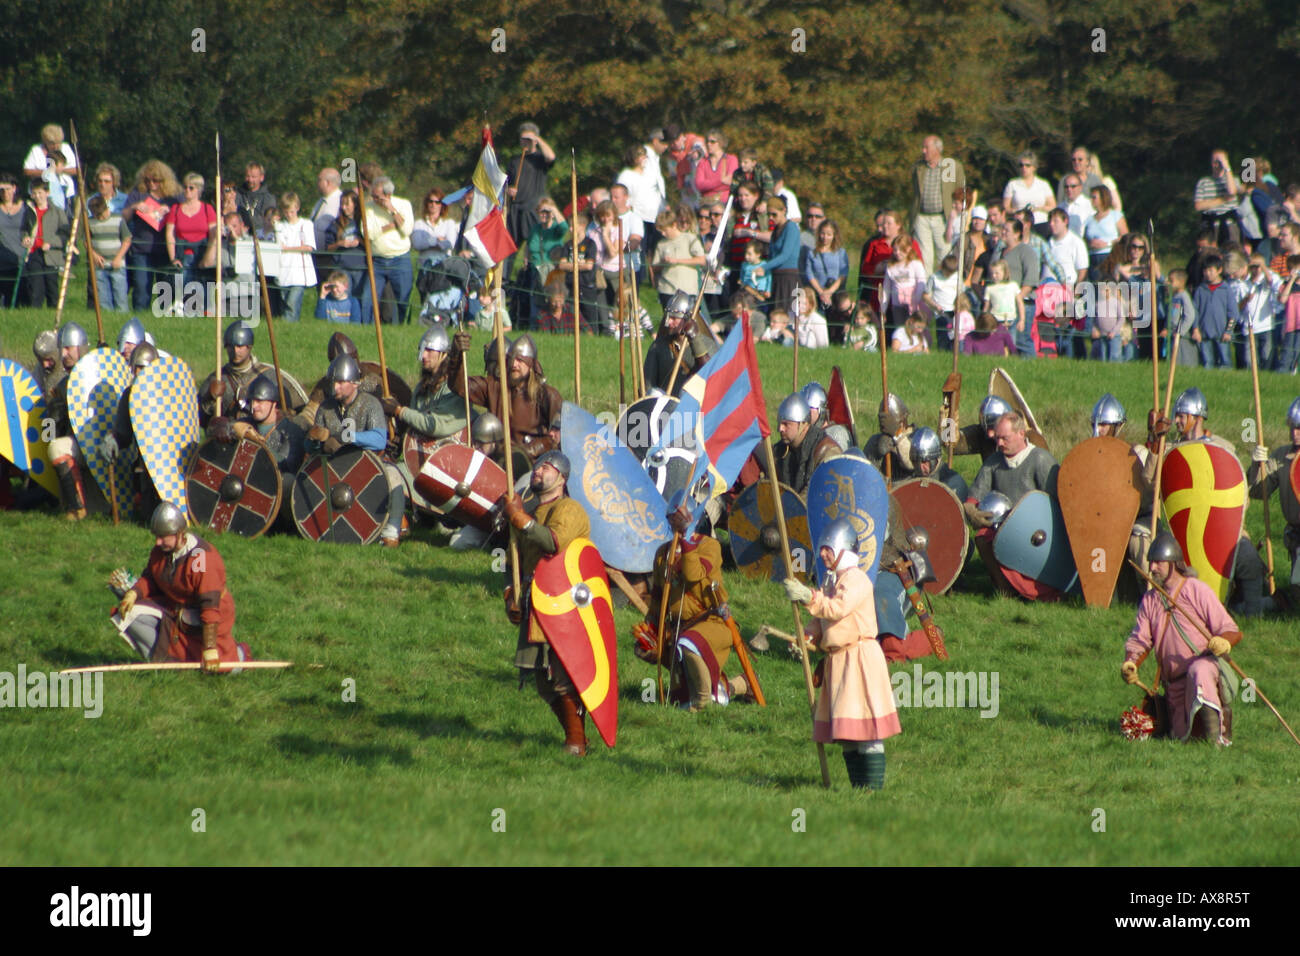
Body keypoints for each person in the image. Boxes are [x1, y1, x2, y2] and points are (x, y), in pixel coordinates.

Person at [782, 518, 901, 790]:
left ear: (843, 549)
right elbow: (822, 621)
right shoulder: (831, 580)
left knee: (866, 729)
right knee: (847, 732)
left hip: (859, 660)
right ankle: (857, 790)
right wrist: (807, 637)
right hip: (838, 661)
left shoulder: (857, 579)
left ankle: (871, 791)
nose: (823, 554)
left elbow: (836, 609)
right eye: (822, 549)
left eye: (828, 549)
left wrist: (808, 597)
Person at [502, 451, 593, 755]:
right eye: (538, 466)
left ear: (562, 478)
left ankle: (577, 742)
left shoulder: (570, 508)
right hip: (533, 603)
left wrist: (521, 520)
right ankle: (574, 735)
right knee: (542, 681)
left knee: (562, 676)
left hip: (563, 605)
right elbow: (514, 561)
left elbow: (553, 542)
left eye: (547, 467)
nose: (539, 471)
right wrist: (510, 594)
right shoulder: (527, 511)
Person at [1121, 533, 1241, 745]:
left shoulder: (1196, 590)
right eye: (1151, 562)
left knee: (1200, 670)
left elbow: (1230, 629)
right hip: (1174, 685)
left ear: (1174, 563)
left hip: (1204, 670)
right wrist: (1131, 661)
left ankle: (1218, 741)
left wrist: (1223, 641)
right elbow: (1140, 639)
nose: (1153, 568)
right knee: (1182, 738)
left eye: (1158, 562)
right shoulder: (1150, 601)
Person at [111, 502, 245, 671]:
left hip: (206, 620)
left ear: (180, 534)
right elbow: (151, 578)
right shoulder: (160, 551)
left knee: (219, 668)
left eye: (163, 536)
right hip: (175, 613)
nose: (158, 541)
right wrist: (134, 593)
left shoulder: (200, 558)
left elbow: (209, 606)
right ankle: (166, 664)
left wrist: (210, 648)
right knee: (129, 614)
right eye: (157, 536)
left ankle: (239, 655)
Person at [640, 506, 748, 710]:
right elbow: (657, 594)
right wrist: (650, 627)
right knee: (680, 691)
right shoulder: (663, 553)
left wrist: (686, 541)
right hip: (678, 627)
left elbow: (693, 574)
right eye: (672, 519)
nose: (674, 523)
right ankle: (740, 684)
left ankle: (702, 701)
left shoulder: (710, 546)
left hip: (712, 623)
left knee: (689, 643)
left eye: (679, 519)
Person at [307, 354, 407, 547]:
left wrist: (346, 438)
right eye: (334, 383)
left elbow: (379, 440)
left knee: (394, 475)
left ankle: (391, 532)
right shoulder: (326, 408)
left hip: (367, 465)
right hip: (334, 467)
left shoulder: (370, 404)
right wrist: (314, 442)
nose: (335, 388)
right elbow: (312, 448)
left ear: (354, 383)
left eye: (341, 383)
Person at [965, 411, 1060, 599]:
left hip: (1039, 532)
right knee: (983, 537)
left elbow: (1056, 504)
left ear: (1021, 434)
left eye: (1005, 438)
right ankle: (1005, 592)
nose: (999, 444)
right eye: (997, 438)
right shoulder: (994, 462)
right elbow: (974, 497)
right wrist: (971, 511)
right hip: (1003, 528)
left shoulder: (1040, 460)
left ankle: (1045, 590)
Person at [380, 324, 467, 497]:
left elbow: (436, 425)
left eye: (429, 350)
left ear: (443, 353)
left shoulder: (454, 388)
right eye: (422, 350)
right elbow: (416, 424)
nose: (423, 355)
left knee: (392, 479)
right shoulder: (422, 387)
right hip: (422, 458)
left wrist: (399, 411)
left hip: (449, 467)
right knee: (385, 473)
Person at [448, 331, 562, 459]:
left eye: (520, 360)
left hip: (531, 466)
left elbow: (558, 438)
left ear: (531, 364)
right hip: (498, 462)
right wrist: (456, 355)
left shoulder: (547, 395)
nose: (514, 365)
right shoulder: (495, 387)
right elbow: (460, 386)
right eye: (512, 359)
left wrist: (528, 451)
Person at [1247, 398, 1300, 604]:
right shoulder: (1281, 456)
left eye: (1299, 428)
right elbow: (1259, 491)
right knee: (1297, 591)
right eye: (1292, 428)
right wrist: (1256, 465)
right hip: (1296, 535)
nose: (1295, 433)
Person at [209, 372, 305, 478]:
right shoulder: (246, 423)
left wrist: (255, 441)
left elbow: (287, 467)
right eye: (252, 401)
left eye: (259, 401)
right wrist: (228, 428)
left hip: (276, 488)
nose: (254, 406)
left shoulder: (291, 431)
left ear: (273, 403)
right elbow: (213, 427)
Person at [198, 321, 288, 426]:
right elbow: (198, 420)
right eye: (231, 347)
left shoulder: (269, 376)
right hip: (227, 438)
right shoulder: (217, 377)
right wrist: (209, 398)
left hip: (261, 438)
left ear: (249, 347)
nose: (236, 351)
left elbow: (295, 413)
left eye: (240, 347)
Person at [44, 322, 92, 519]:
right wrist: (54, 412)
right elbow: (48, 436)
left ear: (81, 348)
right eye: (62, 349)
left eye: (69, 348)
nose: (64, 354)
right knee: (56, 447)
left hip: (109, 443)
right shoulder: (61, 387)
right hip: (82, 445)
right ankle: (77, 506)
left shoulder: (98, 376)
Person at [363, 176, 415, 323]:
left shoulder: (404, 204)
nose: (374, 199)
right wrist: (391, 226)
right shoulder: (368, 208)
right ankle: (367, 327)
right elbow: (367, 233)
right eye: (372, 196)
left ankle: (403, 326)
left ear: (388, 195)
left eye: (377, 197)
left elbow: (406, 230)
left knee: (403, 298)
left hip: (400, 259)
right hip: (377, 260)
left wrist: (392, 211)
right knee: (369, 299)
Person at [163, 173, 217, 314]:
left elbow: (213, 234)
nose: (187, 190)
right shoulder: (175, 209)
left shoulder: (207, 209)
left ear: (199, 190)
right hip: (182, 255)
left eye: (191, 188)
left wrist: (209, 256)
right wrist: (173, 258)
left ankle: (204, 312)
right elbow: (170, 233)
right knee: (183, 287)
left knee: (203, 287)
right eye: (185, 187)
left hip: (201, 254)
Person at [911, 134, 966, 273]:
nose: (923, 151)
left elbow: (960, 191)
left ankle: (944, 289)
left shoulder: (950, 166)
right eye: (923, 147)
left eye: (926, 147)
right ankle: (926, 290)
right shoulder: (919, 167)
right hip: (921, 217)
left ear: (937, 149)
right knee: (924, 258)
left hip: (943, 218)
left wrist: (956, 211)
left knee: (945, 255)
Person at [642, 291, 713, 395]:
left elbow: (711, 376)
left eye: (674, 318)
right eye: (668, 317)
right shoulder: (658, 347)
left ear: (687, 319)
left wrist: (695, 340)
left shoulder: (708, 345)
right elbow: (647, 386)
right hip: (665, 407)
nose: (668, 322)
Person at [770, 392, 839, 495]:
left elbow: (817, 494)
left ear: (803, 424)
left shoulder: (826, 452)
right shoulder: (780, 451)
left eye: (786, 424)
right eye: (780, 423)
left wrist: (791, 508)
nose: (780, 429)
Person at [20, 180, 70, 308]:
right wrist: (25, 237)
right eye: (34, 193)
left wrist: (51, 243)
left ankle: (53, 312)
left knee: (51, 286)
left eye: (40, 193)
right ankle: (35, 311)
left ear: (47, 193)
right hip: (34, 253)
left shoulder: (58, 212)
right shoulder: (29, 211)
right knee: (36, 286)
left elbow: (65, 234)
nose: (37, 196)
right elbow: (23, 229)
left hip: (51, 254)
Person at [650, 208, 706, 312]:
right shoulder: (661, 244)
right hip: (667, 290)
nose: (663, 234)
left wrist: (677, 261)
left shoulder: (690, 239)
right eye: (660, 231)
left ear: (674, 225)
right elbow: (655, 267)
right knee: (669, 323)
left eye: (665, 230)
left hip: (687, 290)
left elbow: (701, 260)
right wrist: (663, 263)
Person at [86, 193, 131, 311]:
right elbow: (86, 242)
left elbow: (127, 240)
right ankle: (107, 320)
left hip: (117, 265)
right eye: (96, 215)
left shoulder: (118, 219)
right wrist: (94, 255)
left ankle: (122, 320)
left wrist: (118, 258)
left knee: (120, 298)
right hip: (99, 266)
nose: (100, 218)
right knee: (103, 299)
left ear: (106, 208)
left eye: (101, 214)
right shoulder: (89, 222)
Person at [324, 189, 366, 309]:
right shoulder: (336, 224)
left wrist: (359, 240)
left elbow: (371, 244)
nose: (344, 207)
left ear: (355, 204)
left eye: (347, 204)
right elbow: (328, 248)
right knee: (345, 298)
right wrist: (340, 243)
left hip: (360, 267)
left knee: (360, 299)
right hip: (342, 267)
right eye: (342, 204)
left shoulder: (362, 222)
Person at [1193, 150, 1242, 247]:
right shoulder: (1203, 182)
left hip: (1229, 225)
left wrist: (1227, 167)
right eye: (1214, 161)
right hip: (1210, 225)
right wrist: (1223, 200)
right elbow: (1198, 206)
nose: (1217, 165)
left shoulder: (1234, 180)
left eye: (1219, 162)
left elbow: (1232, 191)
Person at [22, 124, 77, 209]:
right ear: (45, 142)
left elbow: (76, 169)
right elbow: (26, 171)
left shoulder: (66, 148)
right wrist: (48, 172)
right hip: (40, 195)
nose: (56, 146)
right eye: (52, 144)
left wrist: (60, 170)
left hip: (65, 194)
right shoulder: (36, 150)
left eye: (58, 143)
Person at [803, 217, 849, 312]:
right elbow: (810, 273)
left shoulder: (841, 252)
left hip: (836, 294)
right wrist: (821, 292)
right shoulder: (812, 253)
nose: (825, 237)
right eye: (823, 233)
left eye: (829, 234)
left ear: (834, 235)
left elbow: (843, 274)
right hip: (818, 294)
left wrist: (830, 292)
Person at [1002, 151, 1054, 225]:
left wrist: (1038, 208)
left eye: (1027, 165)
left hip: (1041, 223)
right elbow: (1005, 208)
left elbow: (1052, 206)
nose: (1024, 168)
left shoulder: (1043, 184)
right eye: (1021, 165)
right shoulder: (1012, 184)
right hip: (1020, 224)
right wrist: (1017, 211)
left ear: (1034, 167)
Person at [693, 130, 738, 208]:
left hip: (725, 204)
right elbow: (699, 185)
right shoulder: (702, 163)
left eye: (712, 142)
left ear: (721, 143)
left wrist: (709, 185)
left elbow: (731, 182)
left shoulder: (731, 159)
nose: (708, 144)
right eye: (707, 141)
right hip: (706, 204)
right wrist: (721, 181)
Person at [235, 162, 276, 234]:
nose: (250, 180)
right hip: (240, 234)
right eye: (248, 176)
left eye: (253, 177)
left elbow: (266, 221)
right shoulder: (237, 195)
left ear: (261, 177)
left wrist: (245, 221)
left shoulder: (268, 199)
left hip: (261, 235)